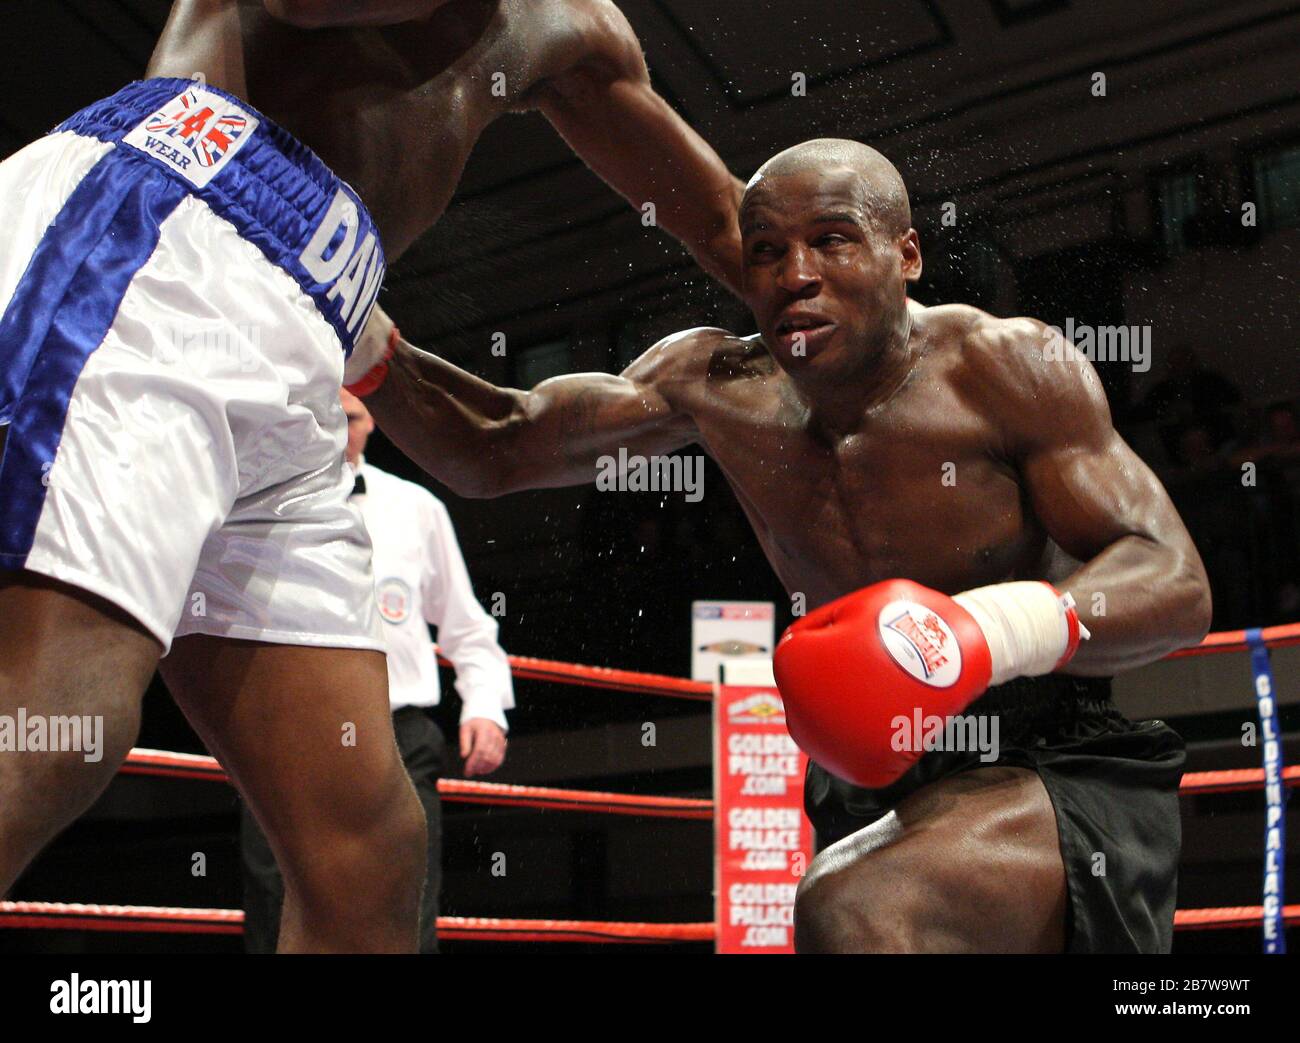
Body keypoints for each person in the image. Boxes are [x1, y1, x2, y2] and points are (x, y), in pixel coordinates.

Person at [0, 0, 743, 952]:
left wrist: (890, 355)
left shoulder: (580, 31)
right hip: (168, 216)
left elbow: (727, 222)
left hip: (305, 322)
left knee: (370, 848)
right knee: (59, 719)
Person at [354, 138, 1212, 953]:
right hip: (869, 778)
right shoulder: (716, 384)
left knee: (859, 905)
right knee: (856, 908)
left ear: (906, 254)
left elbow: (1173, 579)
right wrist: (359, 331)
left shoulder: (1001, 364)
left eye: (833, 241)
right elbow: (498, 443)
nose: (796, 275)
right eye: (765, 251)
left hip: (1048, 756)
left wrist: (988, 631)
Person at [241, 390, 513, 954]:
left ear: (374, 425)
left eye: (354, 417)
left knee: (408, 899)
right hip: (286, 731)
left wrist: (485, 706)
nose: (340, 429)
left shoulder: (415, 508)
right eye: (327, 414)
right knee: (275, 897)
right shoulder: (249, 499)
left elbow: (465, 624)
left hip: (399, 732)